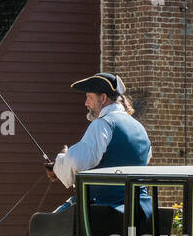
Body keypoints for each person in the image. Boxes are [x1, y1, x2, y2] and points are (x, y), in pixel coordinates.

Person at [46, 72, 151, 217]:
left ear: (103, 98)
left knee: (45, 226)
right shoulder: (140, 128)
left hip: (107, 211)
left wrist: (59, 162)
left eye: (89, 97)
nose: (86, 103)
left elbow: (77, 161)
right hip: (140, 211)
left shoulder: (102, 124)